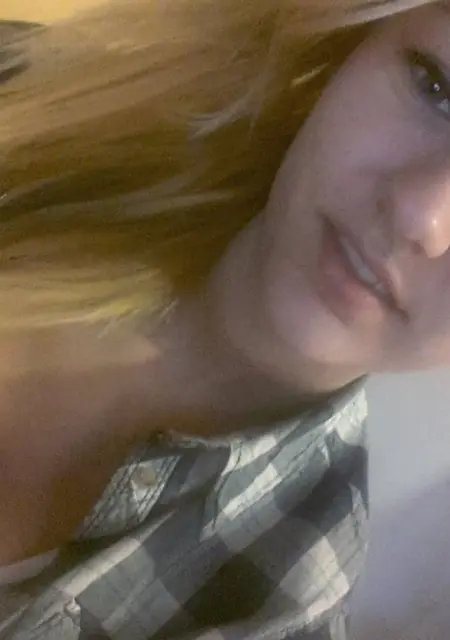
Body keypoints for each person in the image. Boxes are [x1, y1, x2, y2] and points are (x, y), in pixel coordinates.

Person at [0, 0, 446, 636]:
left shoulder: (270, 612)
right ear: (359, 38)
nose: (420, 216)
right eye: (436, 86)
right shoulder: (39, 99)